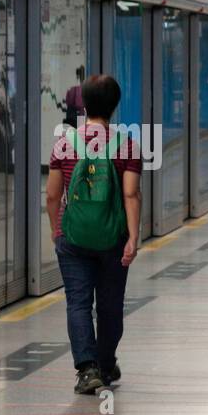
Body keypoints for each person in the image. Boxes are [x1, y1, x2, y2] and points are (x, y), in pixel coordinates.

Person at [46, 74, 142, 395]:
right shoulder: (127, 145)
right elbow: (130, 195)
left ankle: (87, 370)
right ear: (115, 106)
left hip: (73, 237)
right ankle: (104, 362)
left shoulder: (64, 143)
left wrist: (55, 230)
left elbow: (51, 195)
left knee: (78, 302)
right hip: (113, 238)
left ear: (83, 104)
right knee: (111, 305)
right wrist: (133, 236)